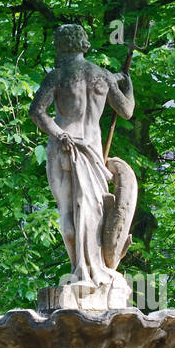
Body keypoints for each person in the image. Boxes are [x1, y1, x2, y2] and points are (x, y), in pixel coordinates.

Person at [29, 23, 134, 303]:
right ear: (84, 44)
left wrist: (60, 134)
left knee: (67, 212)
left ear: (62, 46)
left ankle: (80, 272)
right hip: (92, 149)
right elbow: (126, 110)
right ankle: (94, 271)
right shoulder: (101, 76)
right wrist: (128, 85)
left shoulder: (58, 76)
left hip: (64, 146)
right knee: (93, 211)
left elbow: (37, 112)